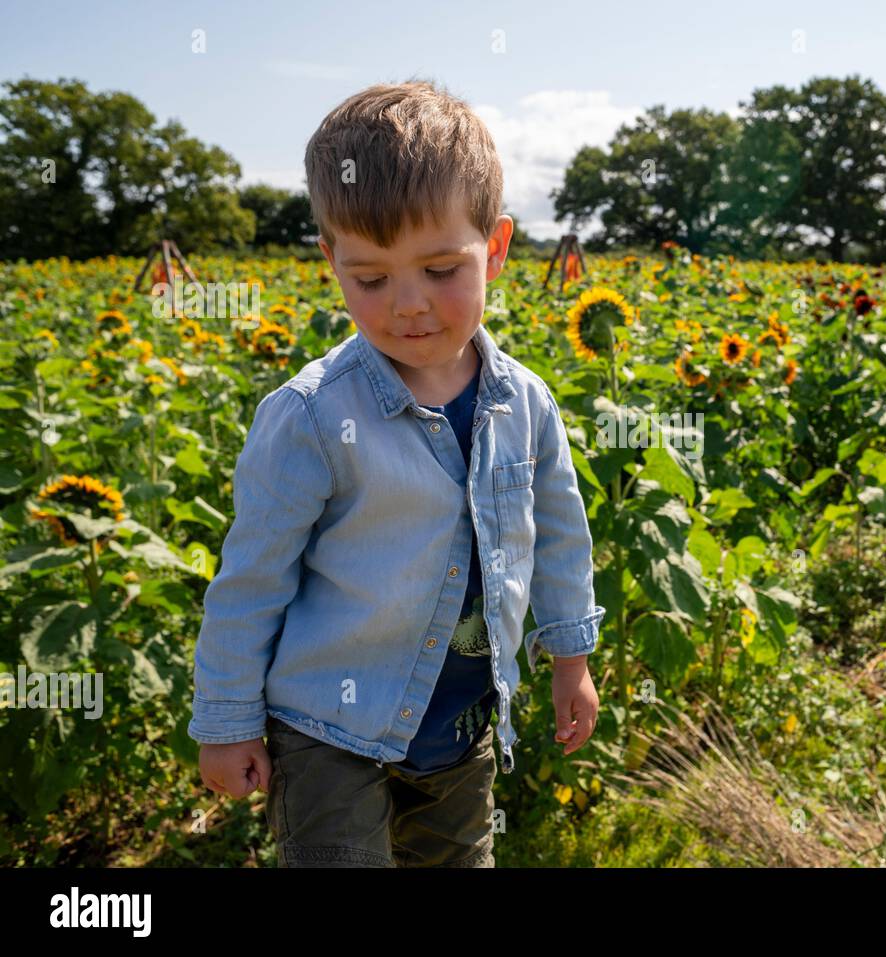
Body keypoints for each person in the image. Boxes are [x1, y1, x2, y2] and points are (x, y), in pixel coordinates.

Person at [187, 80, 605, 868]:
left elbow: (558, 539)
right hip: (328, 729)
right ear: (331, 259)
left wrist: (571, 659)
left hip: (459, 725)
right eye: (371, 279)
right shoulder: (311, 416)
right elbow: (252, 579)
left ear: (498, 247)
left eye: (442, 269)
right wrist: (227, 718)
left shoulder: (526, 404)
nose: (408, 305)